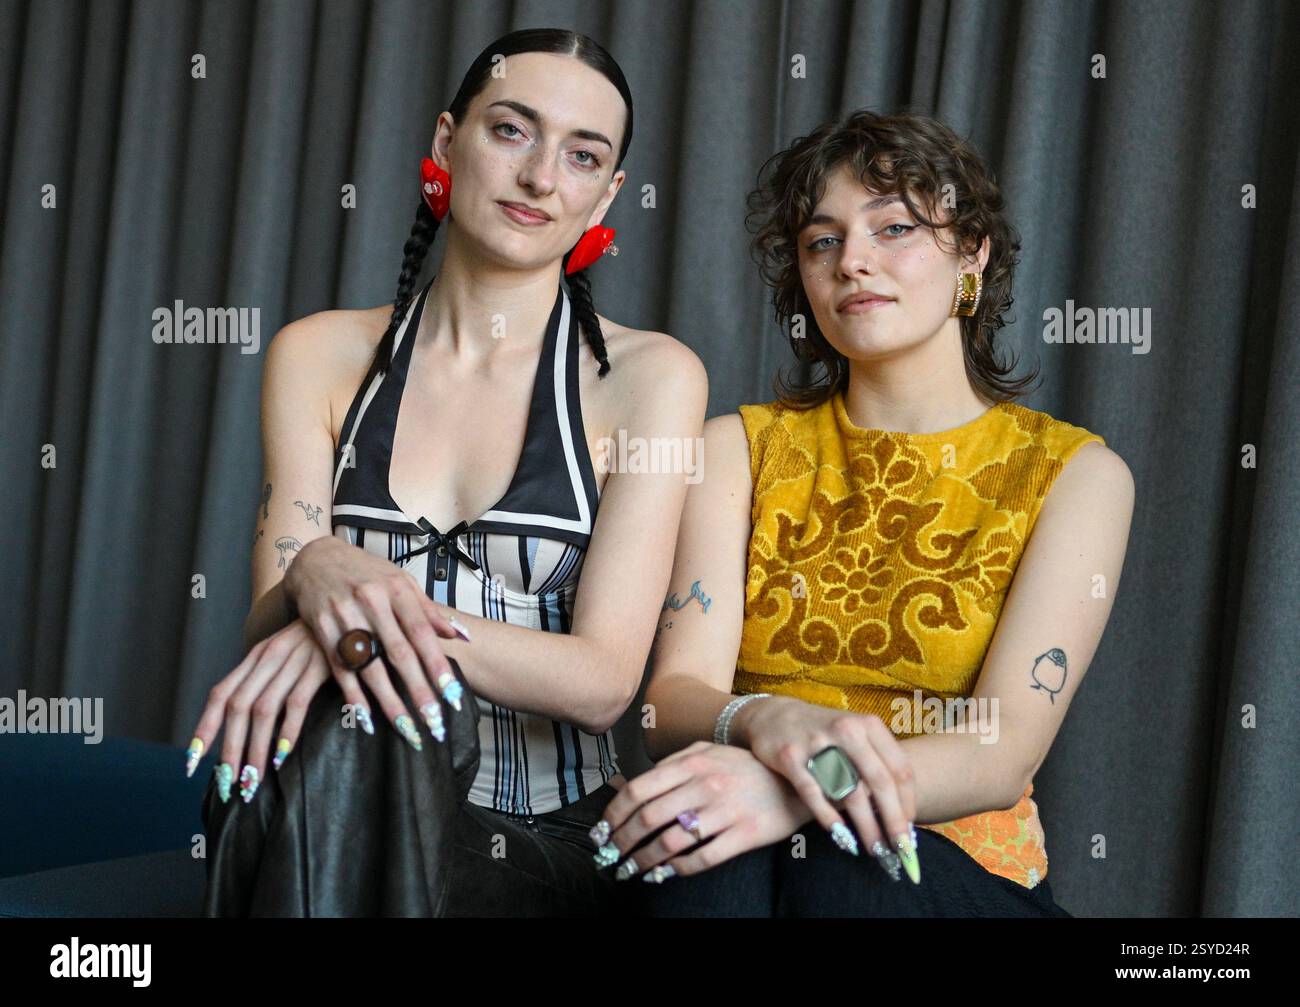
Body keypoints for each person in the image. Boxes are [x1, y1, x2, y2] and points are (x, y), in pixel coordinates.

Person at [187, 28, 707, 916]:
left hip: (538, 839)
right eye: (512, 131)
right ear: (444, 142)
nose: (543, 176)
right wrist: (312, 569)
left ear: (607, 194)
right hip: (320, 799)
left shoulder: (649, 377)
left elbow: (601, 680)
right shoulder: (317, 355)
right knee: (352, 730)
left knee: (358, 700)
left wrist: (366, 606)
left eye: (582, 156)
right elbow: (269, 615)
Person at [591, 109, 1135, 916]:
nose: (854, 262)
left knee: (850, 873)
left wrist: (803, 793)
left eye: (896, 228)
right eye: (822, 241)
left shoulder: (1075, 474)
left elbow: (1002, 753)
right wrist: (765, 721)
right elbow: (672, 701)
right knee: (700, 868)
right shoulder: (735, 450)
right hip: (741, 818)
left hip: (952, 867)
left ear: (973, 255)